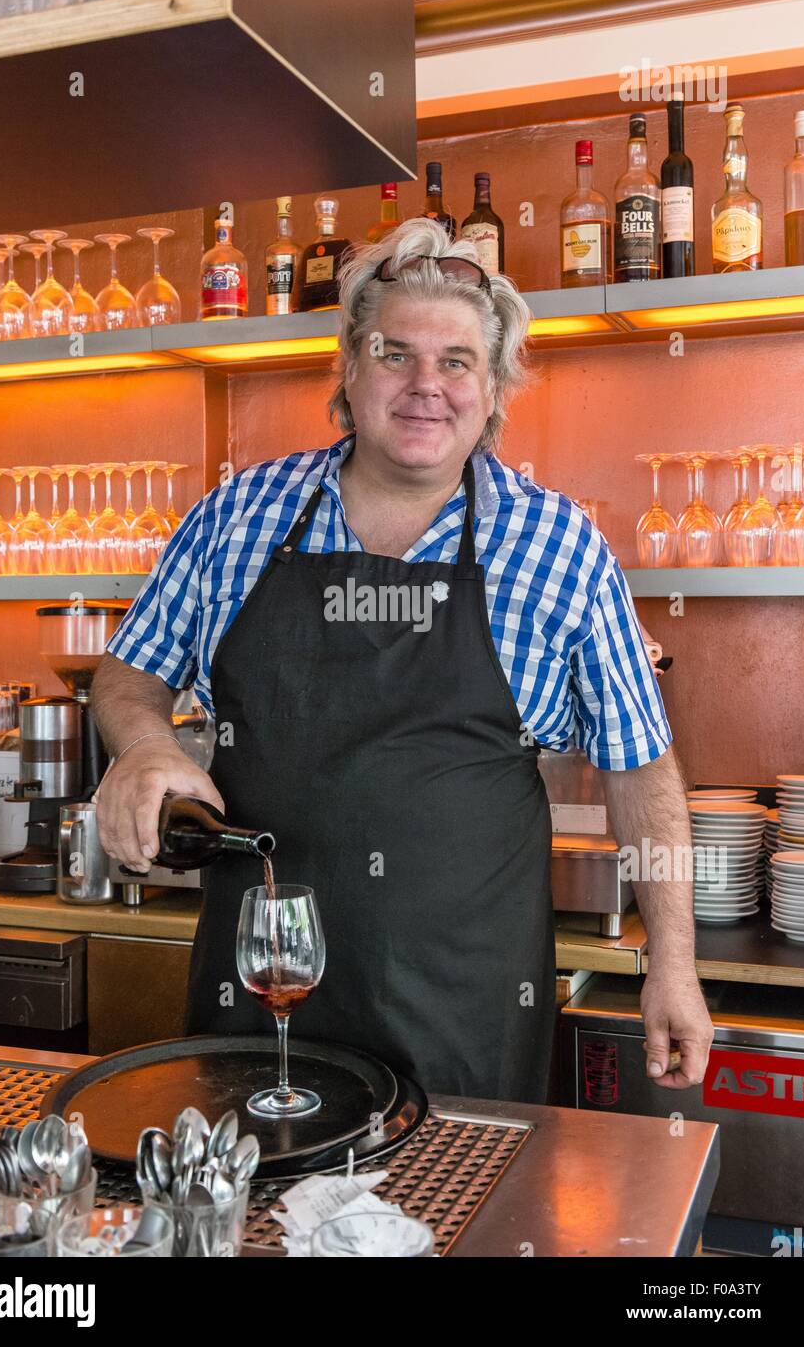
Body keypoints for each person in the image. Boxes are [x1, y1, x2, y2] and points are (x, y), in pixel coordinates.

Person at [92, 217, 713, 1102]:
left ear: (494, 388)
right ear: (348, 368)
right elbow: (127, 674)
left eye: (456, 361)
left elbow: (640, 772)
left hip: (465, 1011)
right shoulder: (237, 517)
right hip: (259, 999)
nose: (427, 385)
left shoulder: (556, 544)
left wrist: (673, 967)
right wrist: (145, 742)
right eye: (394, 354)